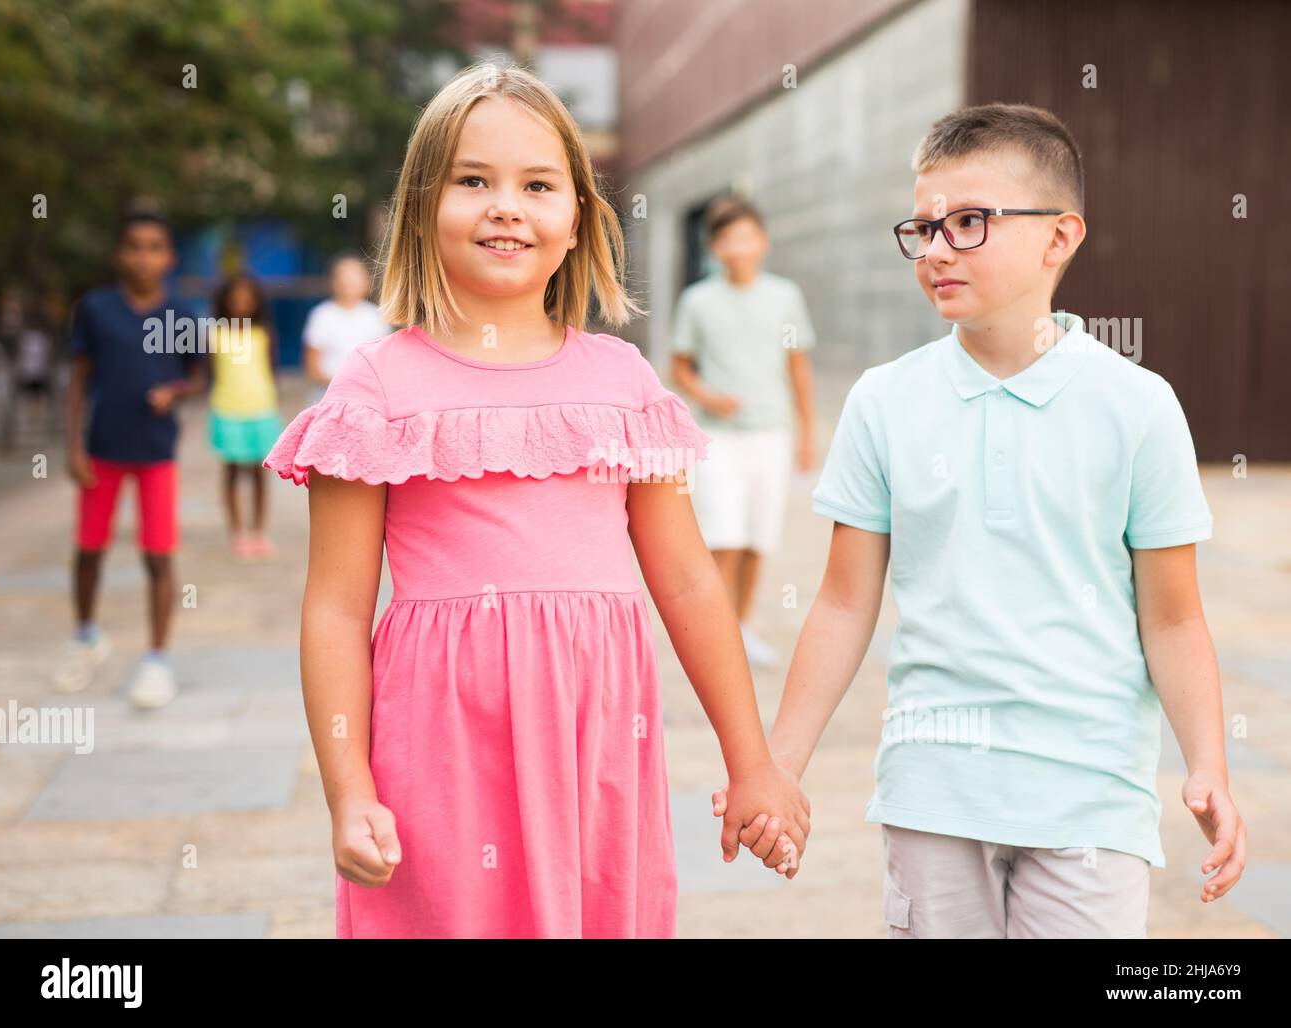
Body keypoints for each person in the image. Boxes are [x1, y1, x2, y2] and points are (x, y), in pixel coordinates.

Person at [261, 60, 811, 939]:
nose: (506, 205)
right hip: (438, 749)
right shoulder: (376, 388)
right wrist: (348, 787)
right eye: (472, 180)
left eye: (538, 184)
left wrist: (754, 763)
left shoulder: (624, 382)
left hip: (598, 738)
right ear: (420, 210)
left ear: (576, 222)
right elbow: (333, 607)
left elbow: (690, 583)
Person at [715, 102, 1246, 934]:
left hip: (1090, 797)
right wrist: (779, 764)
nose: (935, 251)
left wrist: (1208, 762)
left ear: (1060, 237)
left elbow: (1173, 619)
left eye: (968, 223)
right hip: (933, 787)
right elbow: (844, 603)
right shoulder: (884, 402)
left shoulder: (1138, 407)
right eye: (922, 228)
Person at [56, 210, 207, 708]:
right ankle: (85, 635)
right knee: (89, 550)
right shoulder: (96, 310)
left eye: (154, 247)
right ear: (119, 254)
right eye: (134, 247)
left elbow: (200, 376)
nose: (144, 257)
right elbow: (78, 379)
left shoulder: (183, 314)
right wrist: (73, 446)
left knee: (158, 555)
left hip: (155, 453)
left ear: (170, 257)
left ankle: (158, 660)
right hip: (101, 451)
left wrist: (176, 390)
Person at [670, 196, 816, 668]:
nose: (739, 246)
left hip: (771, 435)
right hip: (718, 438)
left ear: (763, 242)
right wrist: (707, 396)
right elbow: (680, 368)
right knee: (724, 536)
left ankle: (742, 627)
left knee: (758, 540)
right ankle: (717, 632)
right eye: (728, 238)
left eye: (748, 236)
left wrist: (806, 432)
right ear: (714, 247)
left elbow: (798, 366)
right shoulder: (697, 301)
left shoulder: (784, 296)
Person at [205, 271, 283, 558]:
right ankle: (237, 532)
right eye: (235, 296)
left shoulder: (264, 334)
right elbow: (206, 374)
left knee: (260, 474)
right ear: (224, 301)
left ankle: (258, 532)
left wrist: (274, 404)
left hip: (261, 409)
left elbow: (272, 372)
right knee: (232, 472)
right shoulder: (215, 333)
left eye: (247, 296)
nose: (241, 301)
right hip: (227, 410)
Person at [301, 253, 392, 407]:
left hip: (368, 401)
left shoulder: (376, 316)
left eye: (354, 277)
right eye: (343, 277)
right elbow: (312, 366)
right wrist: (344, 386)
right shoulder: (322, 316)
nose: (348, 283)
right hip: (327, 398)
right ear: (333, 282)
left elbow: (385, 362)